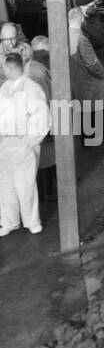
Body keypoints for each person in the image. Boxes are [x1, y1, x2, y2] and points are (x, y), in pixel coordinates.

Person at [0, 51, 49, 235]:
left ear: (10, 68)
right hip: (5, 143)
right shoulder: (5, 87)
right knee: (5, 185)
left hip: (23, 142)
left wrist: (30, 140)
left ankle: (31, 221)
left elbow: (42, 116)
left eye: (4, 66)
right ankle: (9, 222)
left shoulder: (31, 88)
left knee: (25, 184)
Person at [68, 8, 104, 149]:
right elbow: (92, 63)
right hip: (91, 80)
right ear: (81, 19)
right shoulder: (81, 39)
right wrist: (102, 73)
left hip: (77, 81)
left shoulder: (65, 36)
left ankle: (87, 140)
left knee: (84, 111)